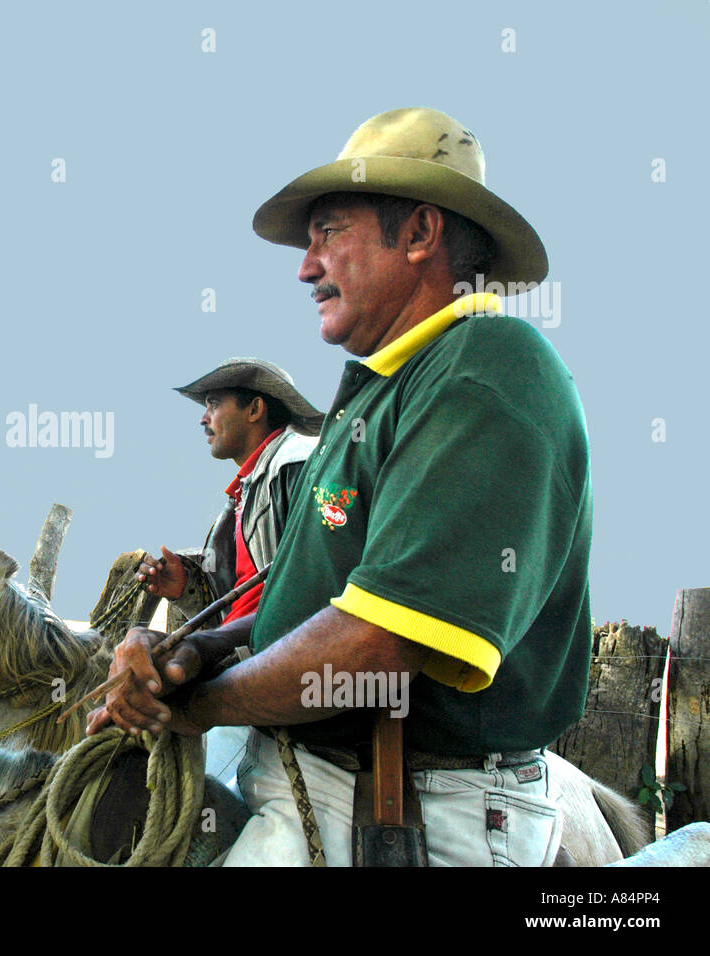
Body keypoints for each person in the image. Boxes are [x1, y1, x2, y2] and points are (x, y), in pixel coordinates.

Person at [87, 107, 592, 868]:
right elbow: (303, 614)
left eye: (330, 232)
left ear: (419, 234)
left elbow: (374, 649)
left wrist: (192, 706)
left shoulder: (487, 371)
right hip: (312, 774)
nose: (304, 266)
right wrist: (185, 653)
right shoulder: (387, 389)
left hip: (417, 807)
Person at [135, 359, 323, 637]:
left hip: (273, 654)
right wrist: (184, 587)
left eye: (214, 404)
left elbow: (316, 588)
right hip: (244, 648)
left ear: (255, 410)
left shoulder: (295, 465)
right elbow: (238, 604)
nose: (203, 418)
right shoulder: (244, 493)